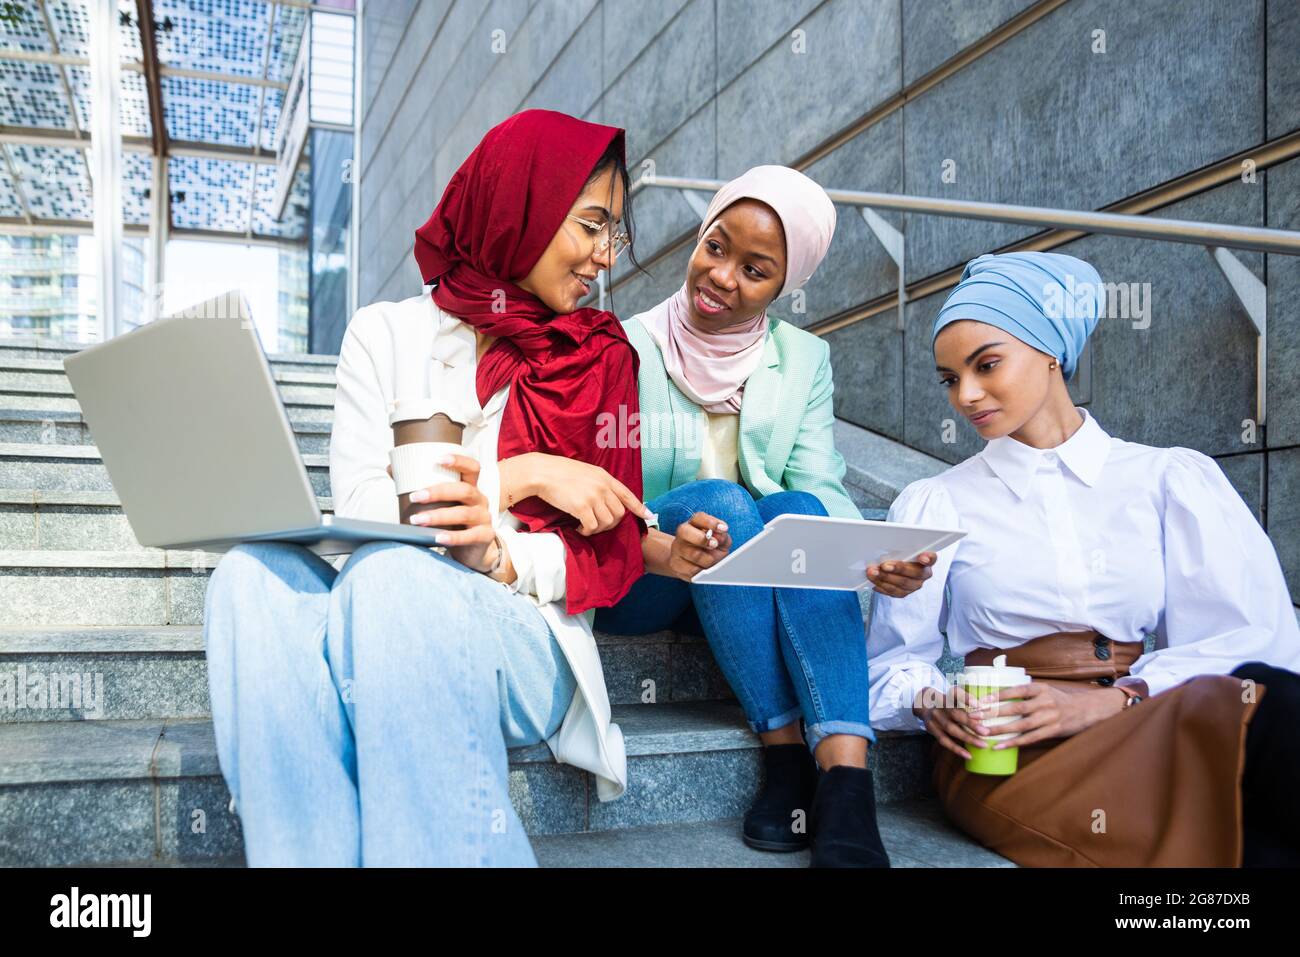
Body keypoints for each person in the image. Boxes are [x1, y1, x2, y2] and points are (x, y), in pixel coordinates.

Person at [202, 109, 653, 866]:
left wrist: (498, 558)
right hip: (378, 606)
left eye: (616, 232)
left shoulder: (599, 357)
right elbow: (361, 511)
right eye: (592, 225)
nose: (605, 256)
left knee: (392, 575)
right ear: (522, 205)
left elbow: (609, 551)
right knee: (249, 576)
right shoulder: (383, 333)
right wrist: (523, 476)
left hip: (523, 632)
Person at [867, 250, 1300, 866]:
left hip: (1141, 715)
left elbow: (1254, 641)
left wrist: (1115, 699)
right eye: (948, 378)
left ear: (1052, 353)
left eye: (987, 364)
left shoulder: (1167, 478)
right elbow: (888, 668)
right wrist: (936, 702)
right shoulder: (935, 502)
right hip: (1010, 749)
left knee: (1276, 701)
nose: (965, 395)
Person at [588, 166, 936, 867]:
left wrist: (863, 556)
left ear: (784, 284)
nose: (721, 275)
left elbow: (820, 483)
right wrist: (669, 536)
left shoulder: (802, 359)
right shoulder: (621, 346)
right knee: (722, 502)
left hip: (752, 587)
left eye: (755, 269)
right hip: (648, 571)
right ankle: (784, 756)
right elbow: (605, 495)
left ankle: (842, 780)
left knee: (802, 509)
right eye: (715, 247)